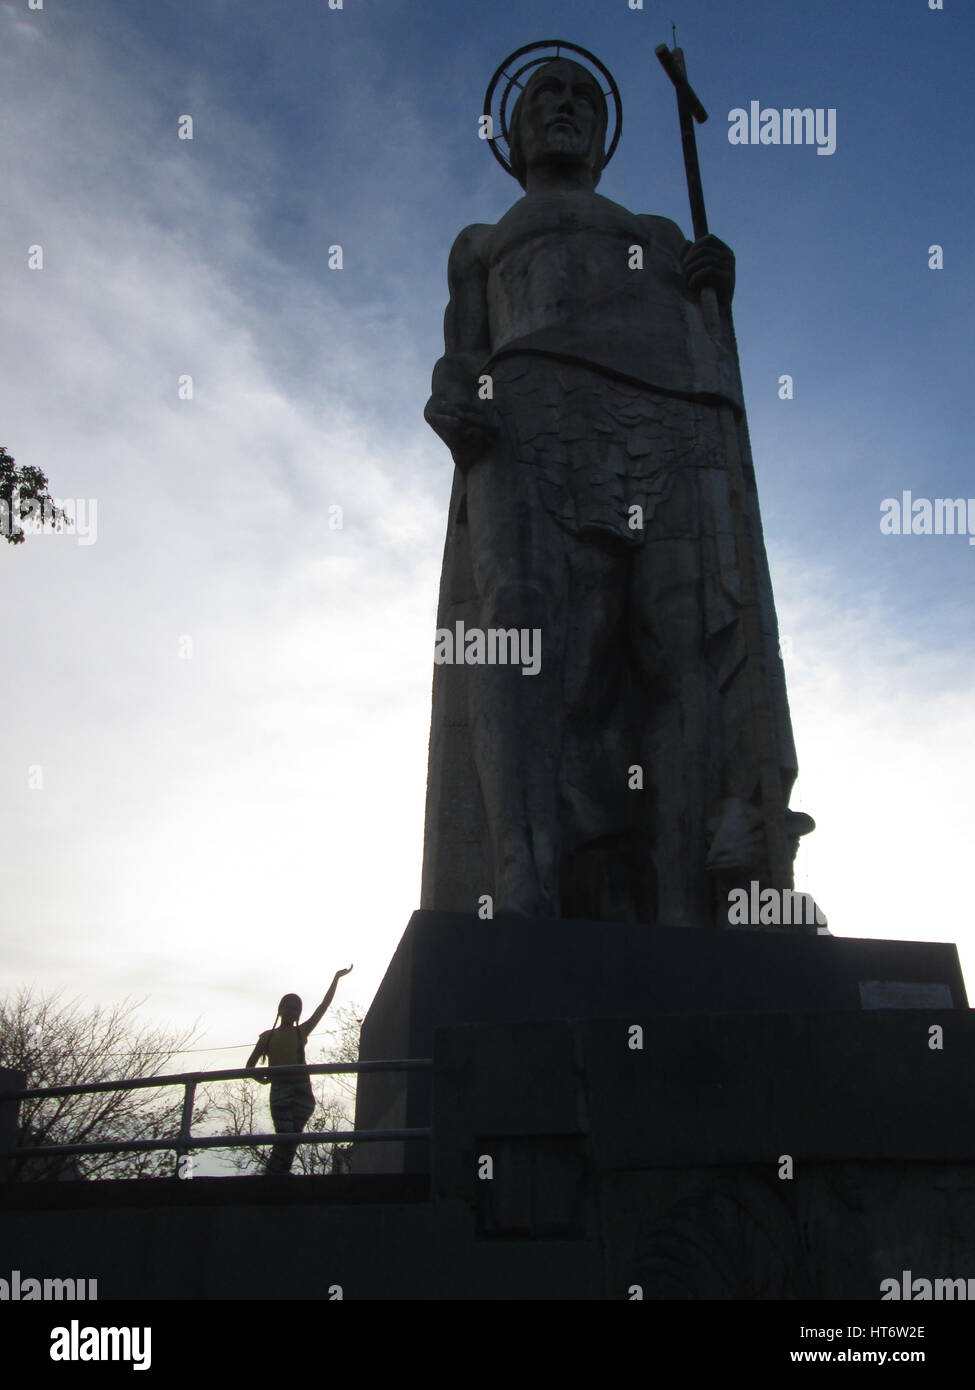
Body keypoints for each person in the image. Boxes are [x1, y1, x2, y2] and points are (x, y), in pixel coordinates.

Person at [246, 965, 353, 1175]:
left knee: (291, 1138)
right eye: (288, 1006)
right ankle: (273, 1174)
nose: (292, 1011)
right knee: (285, 1135)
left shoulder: (301, 1031)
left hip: (302, 1092)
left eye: (296, 1008)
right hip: (279, 1091)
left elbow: (324, 1006)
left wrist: (336, 978)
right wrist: (264, 1080)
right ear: (280, 1009)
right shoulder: (267, 1036)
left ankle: (278, 1174)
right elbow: (250, 1066)